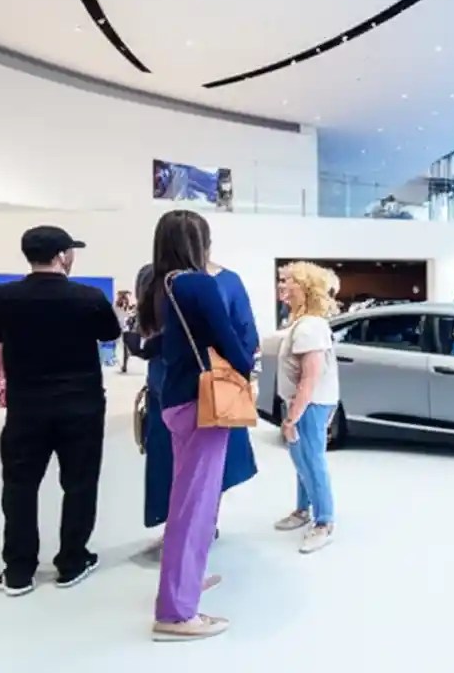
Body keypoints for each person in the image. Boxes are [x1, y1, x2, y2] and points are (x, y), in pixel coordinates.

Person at [0, 225, 121, 596]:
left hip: (26, 408)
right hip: (82, 407)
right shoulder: (88, 297)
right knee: (79, 483)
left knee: (20, 486)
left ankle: (18, 571)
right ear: (61, 255)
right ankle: (72, 561)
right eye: (71, 251)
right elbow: (110, 334)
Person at [138, 210, 254, 641]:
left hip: (174, 400)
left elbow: (150, 345)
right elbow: (233, 344)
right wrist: (245, 365)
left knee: (186, 501)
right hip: (203, 403)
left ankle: (184, 584)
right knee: (195, 507)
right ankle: (175, 612)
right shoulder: (198, 284)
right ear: (199, 242)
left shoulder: (158, 284)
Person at [136, 257, 259, 544]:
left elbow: (145, 333)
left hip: (166, 385)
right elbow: (244, 334)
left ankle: (179, 530)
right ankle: (196, 533)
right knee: (206, 470)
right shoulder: (219, 281)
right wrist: (243, 371)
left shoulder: (152, 277)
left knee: (172, 461)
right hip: (208, 385)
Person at [269, 262, 342, 553]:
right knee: (302, 460)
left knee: (311, 461)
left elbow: (310, 378)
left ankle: (324, 522)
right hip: (305, 403)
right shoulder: (304, 323)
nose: (281, 285)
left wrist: (292, 418)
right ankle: (303, 509)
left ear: (305, 288)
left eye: (288, 280)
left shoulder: (310, 327)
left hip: (310, 404)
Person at [115, 290, 137, 373]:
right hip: (120, 329)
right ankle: (123, 365)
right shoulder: (116, 307)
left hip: (126, 330)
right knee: (122, 347)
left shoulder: (130, 307)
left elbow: (132, 316)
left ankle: (124, 365)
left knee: (125, 348)